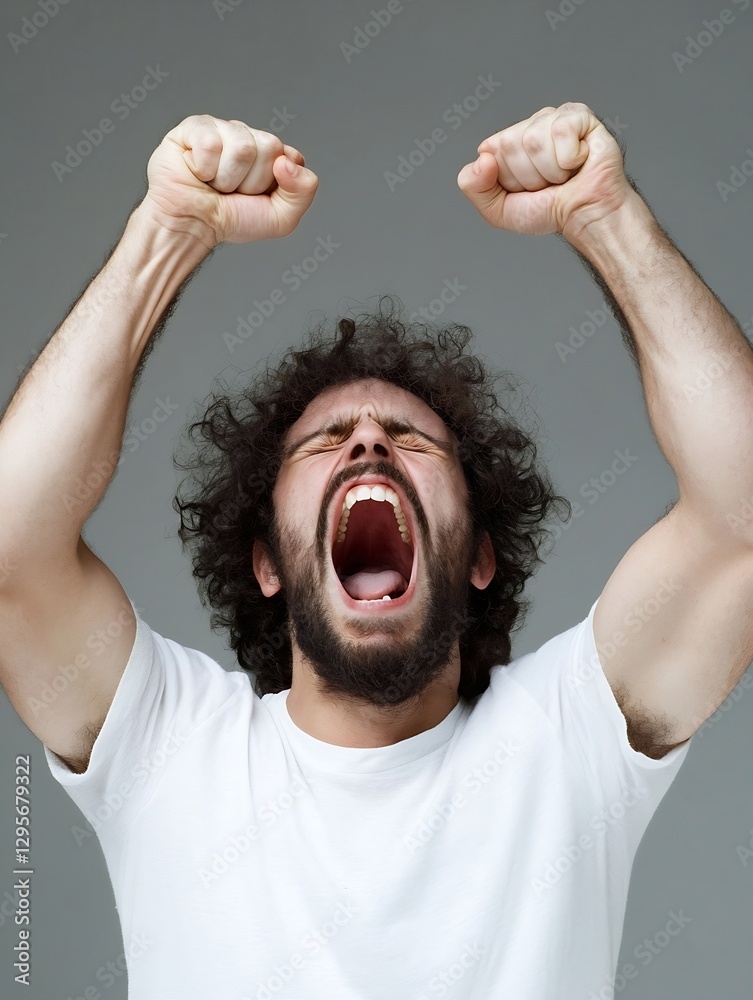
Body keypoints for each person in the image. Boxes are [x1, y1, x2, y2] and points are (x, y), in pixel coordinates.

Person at [1, 102, 751, 999]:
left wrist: (607, 218)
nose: (367, 445)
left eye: (411, 440)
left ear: (478, 553)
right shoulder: (170, 746)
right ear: (268, 561)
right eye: (325, 443)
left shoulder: (565, 740)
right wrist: (166, 233)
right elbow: (13, 549)